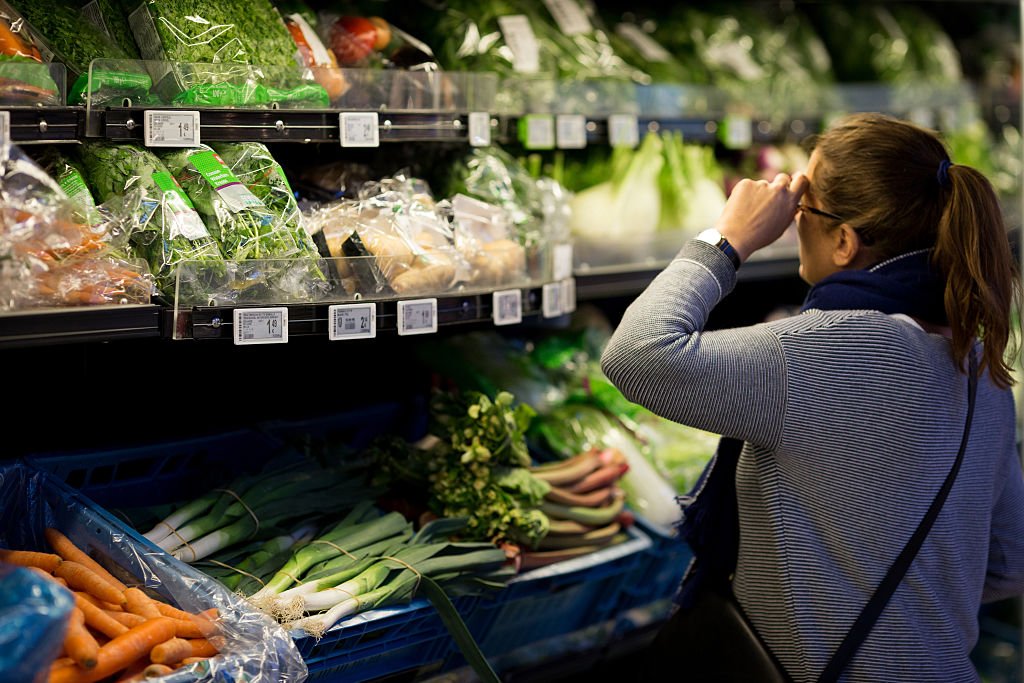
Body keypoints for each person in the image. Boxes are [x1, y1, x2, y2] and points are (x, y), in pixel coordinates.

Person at [600, 112, 1024, 681]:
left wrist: (727, 239)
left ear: (844, 241)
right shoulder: (980, 366)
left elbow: (637, 354)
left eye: (801, 204)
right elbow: (1008, 559)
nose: (788, 214)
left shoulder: (816, 354)